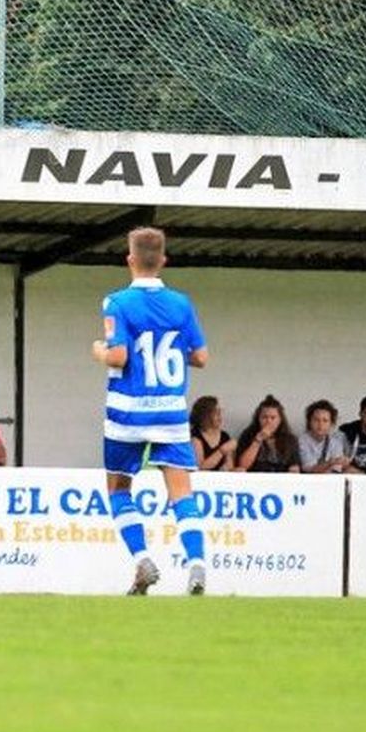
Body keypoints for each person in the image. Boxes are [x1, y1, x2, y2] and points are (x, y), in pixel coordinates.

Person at [89, 226, 211, 595]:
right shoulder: (181, 303)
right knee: (181, 493)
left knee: (118, 488)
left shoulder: (117, 302)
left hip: (127, 412)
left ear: (129, 259)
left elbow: (119, 355)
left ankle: (142, 560)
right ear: (163, 261)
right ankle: (196, 564)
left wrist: (98, 351)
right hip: (171, 412)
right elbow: (202, 357)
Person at [235, 395, 300, 473]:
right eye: (264, 417)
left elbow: (295, 466)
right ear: (258, 418)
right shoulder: (248, 434)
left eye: (273, 418)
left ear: (280, 420)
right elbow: (242, 466)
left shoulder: (290, 439)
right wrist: (257, 441)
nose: (268, 421)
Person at [297, 399, 349, 475]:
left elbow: (337, 470)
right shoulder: (303, 440)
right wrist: (330, 463)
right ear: (309, 422)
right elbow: (309, 469)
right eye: (316, 420)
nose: (320, 424)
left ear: (331, 423)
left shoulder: (336, 442)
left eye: (325, 421)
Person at [189, 396, 234, 472]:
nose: (220, 417)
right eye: (216, 413)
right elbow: (200, 467)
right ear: (205, 416)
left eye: (220, 412)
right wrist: (222, 450)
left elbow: (229, 464)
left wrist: (227, 467)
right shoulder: (195, 436)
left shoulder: (224, 436)